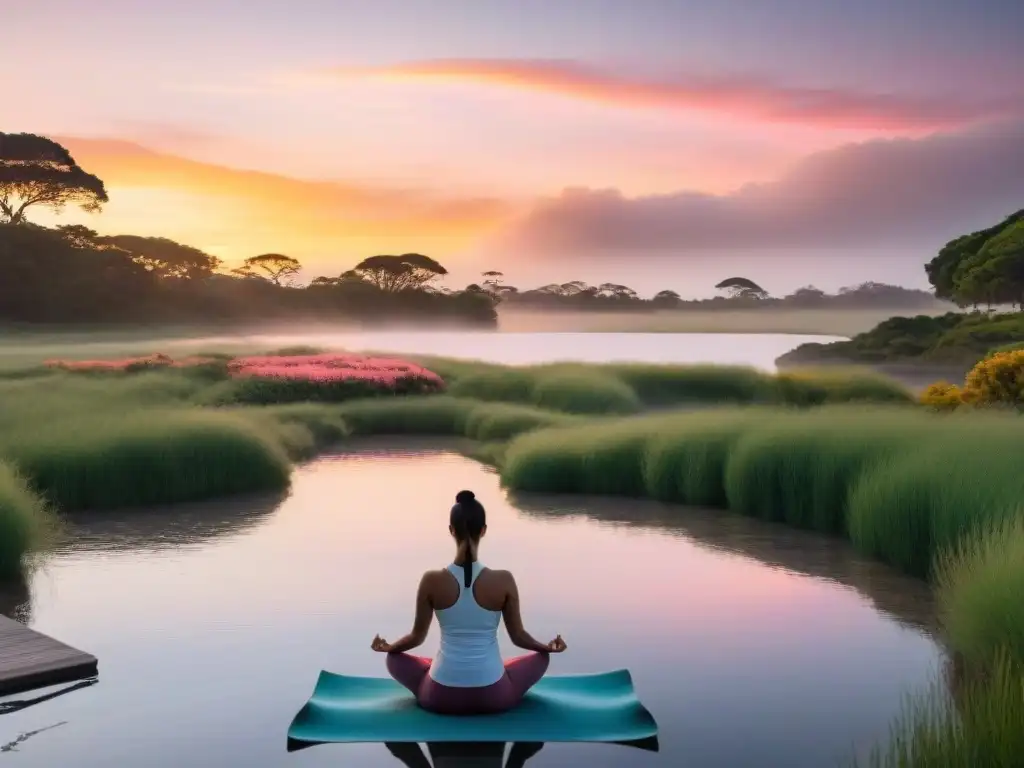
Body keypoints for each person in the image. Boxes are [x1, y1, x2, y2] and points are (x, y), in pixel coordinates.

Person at [371, 490, 567, 715]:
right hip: (494, 696)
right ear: (483, 531)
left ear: (451, 530)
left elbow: (416, 637)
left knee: (394, 659)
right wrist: (547, 647)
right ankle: (495, 672)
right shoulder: (504, 579)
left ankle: (433, 670)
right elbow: (518, 636)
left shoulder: (431, 580)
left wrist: (390, 647)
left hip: (438, 696)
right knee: (540, 659)